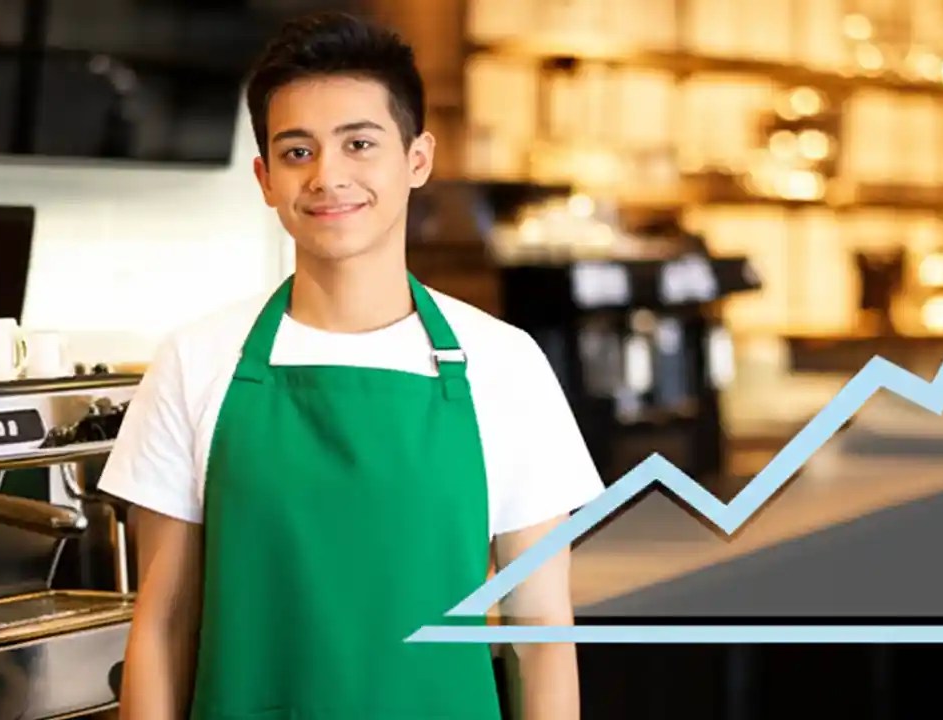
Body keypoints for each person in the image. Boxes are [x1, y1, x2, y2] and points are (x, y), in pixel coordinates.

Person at [97, 11, 604, 720]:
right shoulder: (195, 361)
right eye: (297, 152)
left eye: (359, 144)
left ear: (417, 159)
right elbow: (164, 622)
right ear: (265, 178)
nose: (328, 177)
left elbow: (541, 634)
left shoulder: (505, 365)